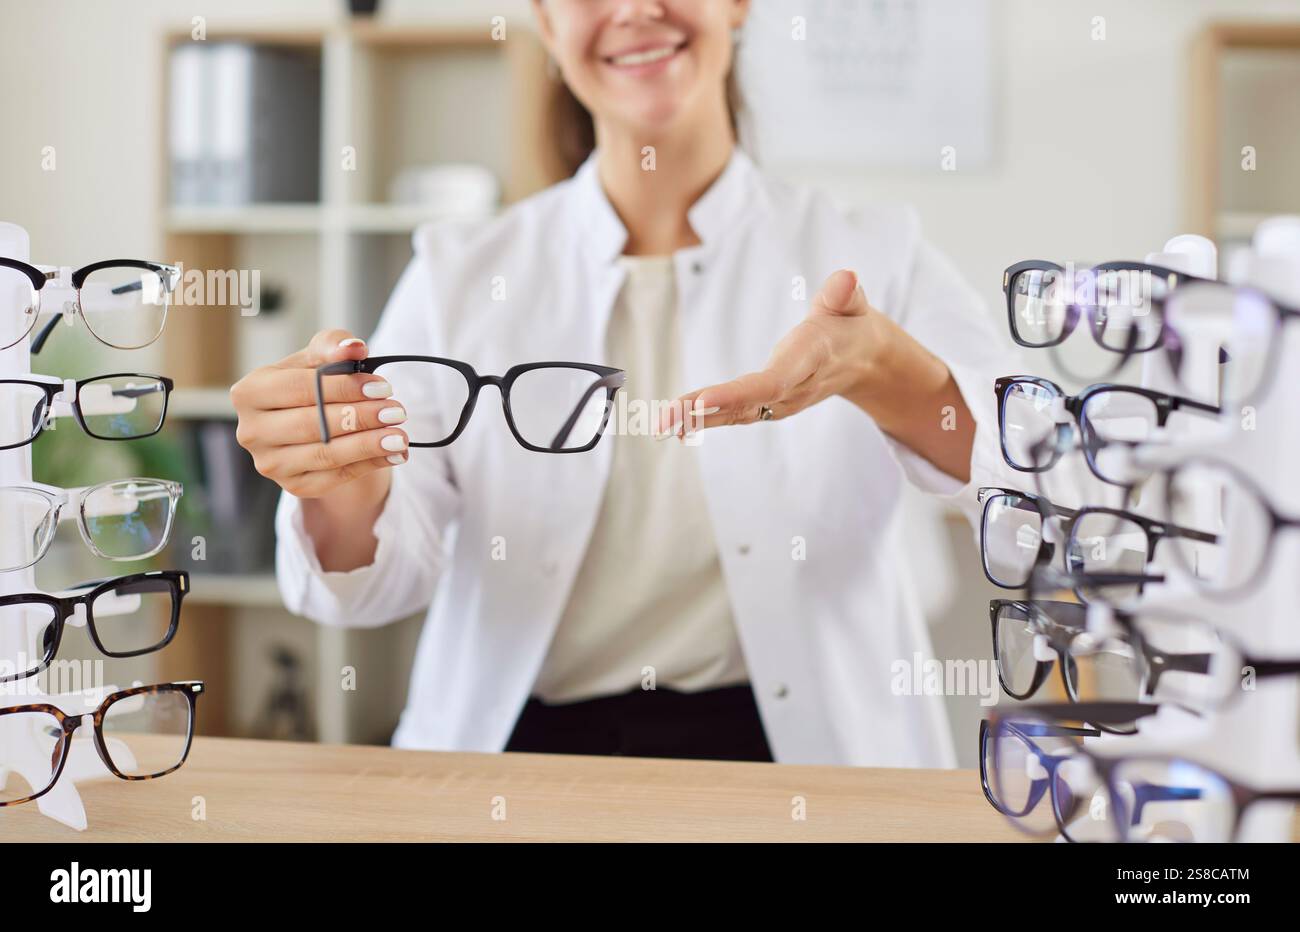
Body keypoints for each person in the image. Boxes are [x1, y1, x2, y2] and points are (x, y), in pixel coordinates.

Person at [230, 0, 1009, 766]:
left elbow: (1045, 501)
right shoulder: (458, 274)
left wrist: (888, 375)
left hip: (792, 762)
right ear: (546, 21)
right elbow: (369, 590)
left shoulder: (875, 254)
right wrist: (344, 481)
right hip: (519, 758)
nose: (636, 9)